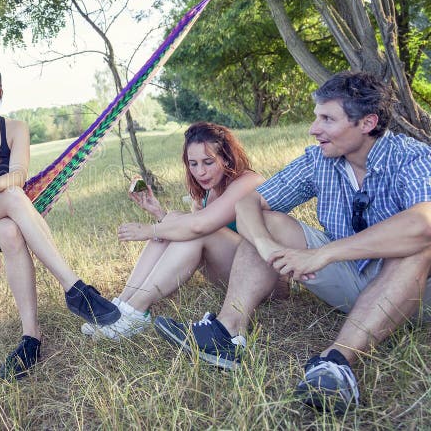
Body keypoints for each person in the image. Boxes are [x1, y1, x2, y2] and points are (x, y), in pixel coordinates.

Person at [154, 71, 431, 415]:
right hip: (350, 278)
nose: (314, 128)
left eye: (327, 118)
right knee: (267, 222)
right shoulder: (319, 159)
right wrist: (267, 247)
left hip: (413, 290)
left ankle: (336, 364)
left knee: (420, 245)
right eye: (317, 117)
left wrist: (323, 253)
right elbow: (248, 204)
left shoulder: (413, 157)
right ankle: (227, 333)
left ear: (367, 122)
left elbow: (424, 224)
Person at [0, 60, 120, 380]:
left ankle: (30, 338)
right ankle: (75, 288)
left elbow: (18, 174)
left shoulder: (15, 129)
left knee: (10, 231)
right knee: (15, 196)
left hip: (3, 217)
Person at [81, 122, 264, 340]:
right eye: (193, 164)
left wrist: (150, 229)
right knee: (176, 218)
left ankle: (136, 311)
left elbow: (199, 227)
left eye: (208, 162)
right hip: (230, 275)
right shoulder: (207, 191)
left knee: (195, 226)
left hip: (261, 278)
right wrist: (160, 215)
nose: (200, 172)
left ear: (226, 158)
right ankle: (122, 306)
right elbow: (187, 230)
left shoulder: (248, 181)